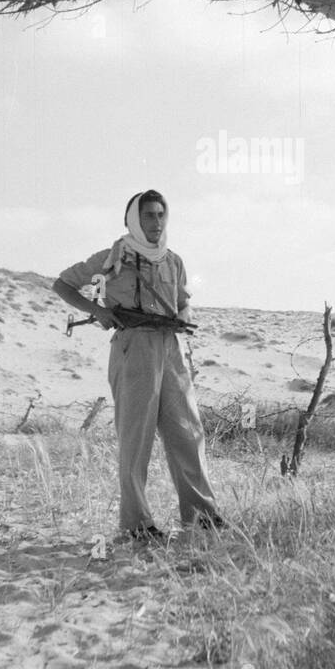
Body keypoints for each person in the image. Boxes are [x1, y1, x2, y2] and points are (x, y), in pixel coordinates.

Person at [53, 191, 226, 544]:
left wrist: (183, 318)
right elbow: (63, 284)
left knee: (188, 432)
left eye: (162, 214)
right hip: (134, 348)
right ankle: (136, 525)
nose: (156, 222)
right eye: (149, 215)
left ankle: (202, 517)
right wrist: (99, 312)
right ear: (134, 218)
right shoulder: (114, 256)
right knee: (136, 438)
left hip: (171, 349)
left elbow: (183, 301)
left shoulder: (173, 261)